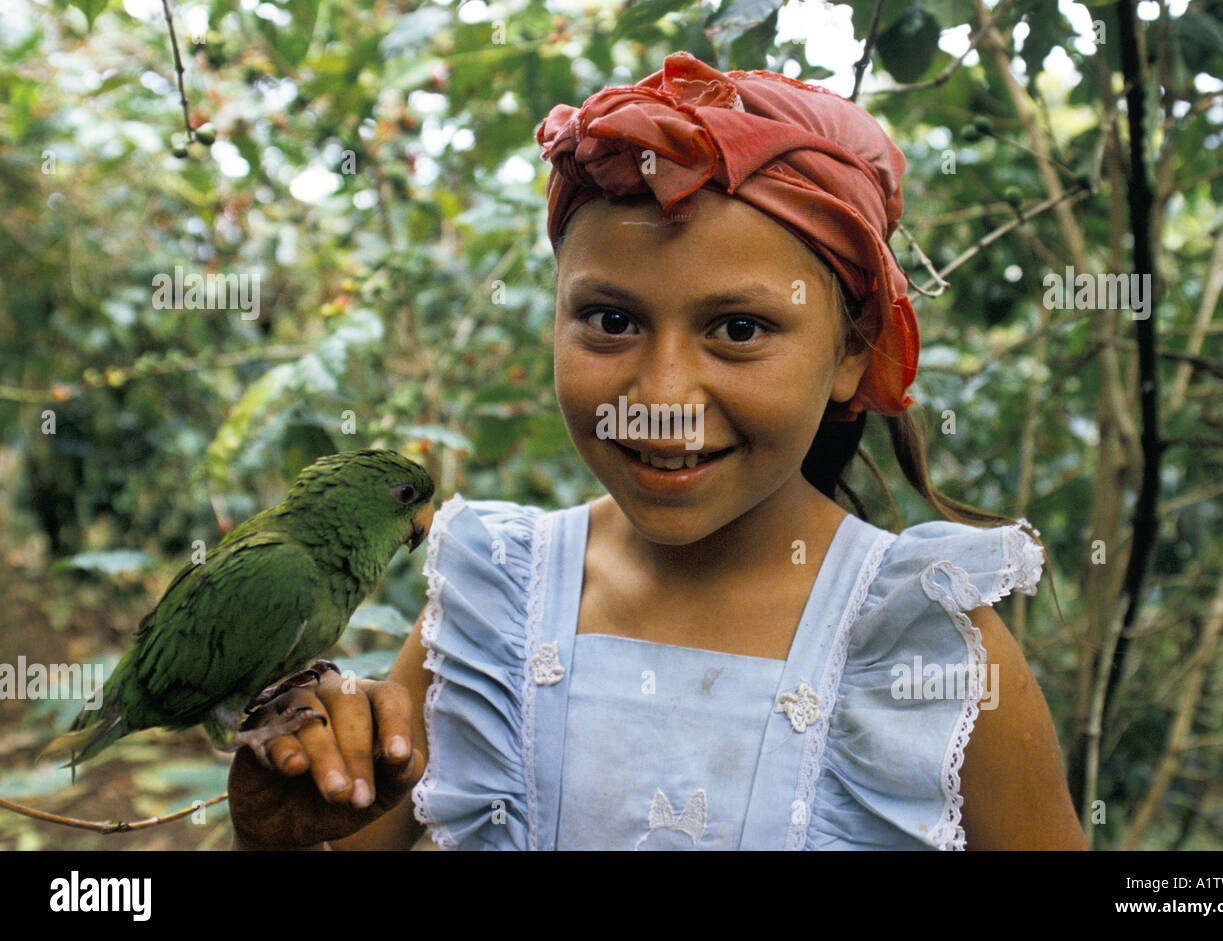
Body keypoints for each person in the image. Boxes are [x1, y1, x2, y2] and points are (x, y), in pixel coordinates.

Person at [229, 52, 1087, 851]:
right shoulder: (496, 607)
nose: (664, 398)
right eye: (611, 320)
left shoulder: (924, 647)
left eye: (740, 329)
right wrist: (301, 796)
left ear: (853, 352)